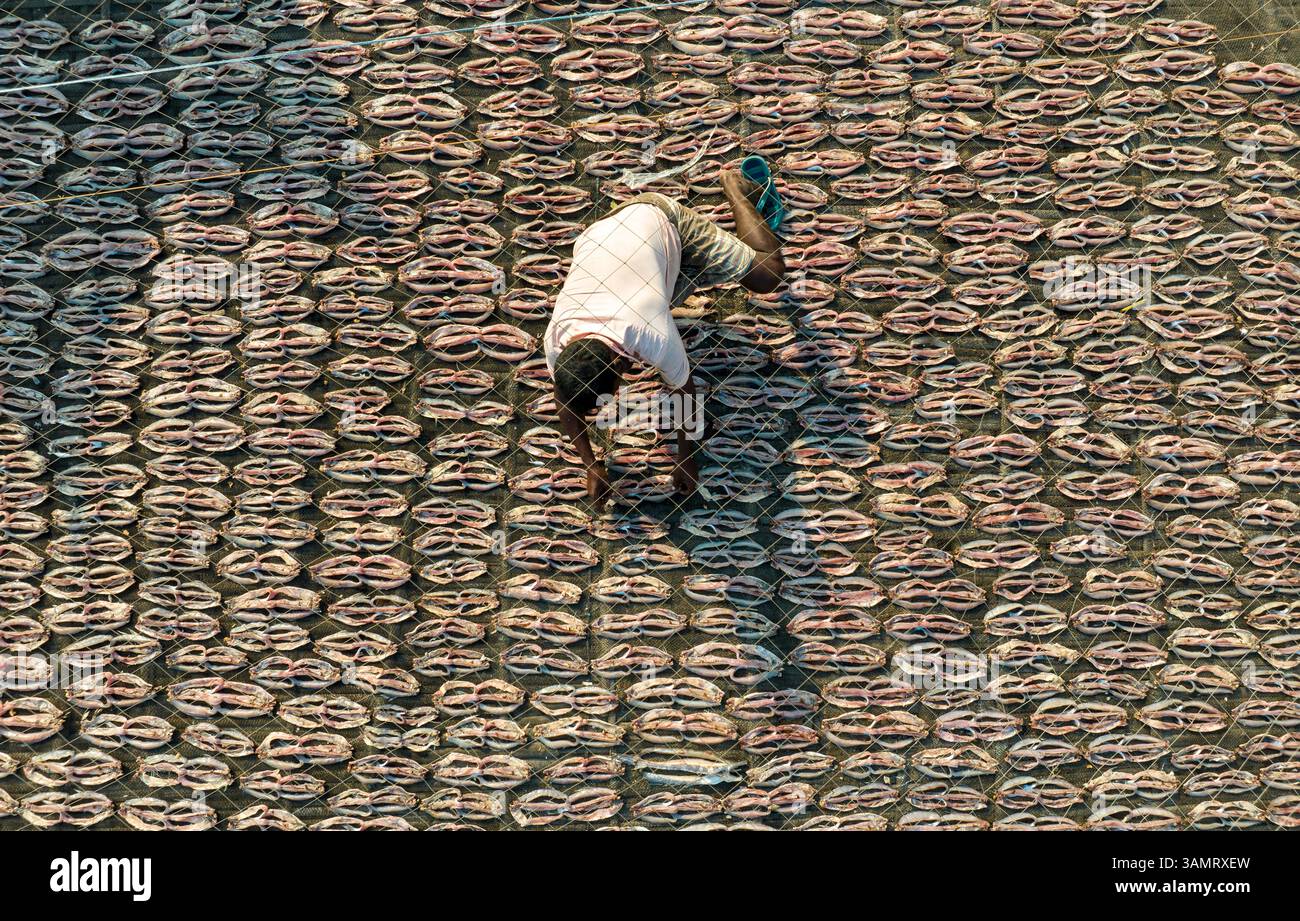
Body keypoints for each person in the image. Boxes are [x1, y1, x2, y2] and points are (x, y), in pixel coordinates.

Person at [545, 167, 785, 506]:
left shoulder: (647, 331)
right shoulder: (558, 342)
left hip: (662, 220)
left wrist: (685, 455)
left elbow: (685, 391)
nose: (611, 400)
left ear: (618, 365)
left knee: (767, 275)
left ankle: (735, 189)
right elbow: (564, 399)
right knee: (661, 293)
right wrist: (591, 464)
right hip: (608, 239)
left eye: (610, 392)